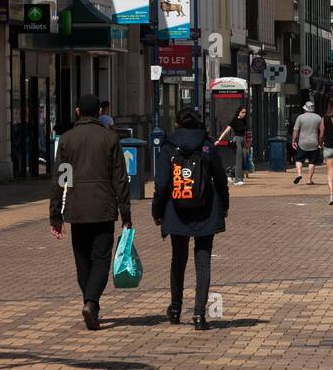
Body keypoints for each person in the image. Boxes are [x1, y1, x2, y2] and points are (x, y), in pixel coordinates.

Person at [49, 93, 132, 331]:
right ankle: (92, 302)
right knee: (101, 259)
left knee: (82, 260)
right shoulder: (109, 138)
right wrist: (126, 213)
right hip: (103, 207)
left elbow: (61, 178)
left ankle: (89, 301)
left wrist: (55, 213)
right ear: (99, 113)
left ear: (78, 112)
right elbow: (120, 178)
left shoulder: (67, 140)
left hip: (76, 208)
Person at [152, 108, 230, 330]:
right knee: (202, 263)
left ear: (177, 124)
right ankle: (199, 314)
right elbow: (220, 179)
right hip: (206, 209)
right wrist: (224, 206)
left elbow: (161, 184)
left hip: (177, 210)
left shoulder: (169, 147)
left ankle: (175, 308)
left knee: (178, 259)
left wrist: (157, 211)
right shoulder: (207, 146)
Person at [291, 101, 323, 186]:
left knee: (299, 159)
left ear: (305, 108)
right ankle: (309, 180)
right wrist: (320, 142)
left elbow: (295, 130)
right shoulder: (318, 118)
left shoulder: (300, 117)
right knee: (312, 162)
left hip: (302, 143)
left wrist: (293, 140)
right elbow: (322, 131)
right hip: (314, 142)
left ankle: (299, 174)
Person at [217, 106, 249, 186]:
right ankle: (238, 180)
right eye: (242, 112)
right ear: (239, 112)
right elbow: (226, 131)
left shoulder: (244, 120)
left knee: (244, 159)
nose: (244, 114)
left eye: (245, 112)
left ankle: (230, 173)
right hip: (237, 140)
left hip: (243, 140)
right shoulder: (235, 120)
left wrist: (247, 143)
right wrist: (219, 140)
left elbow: (246, 132)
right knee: (239, 160)